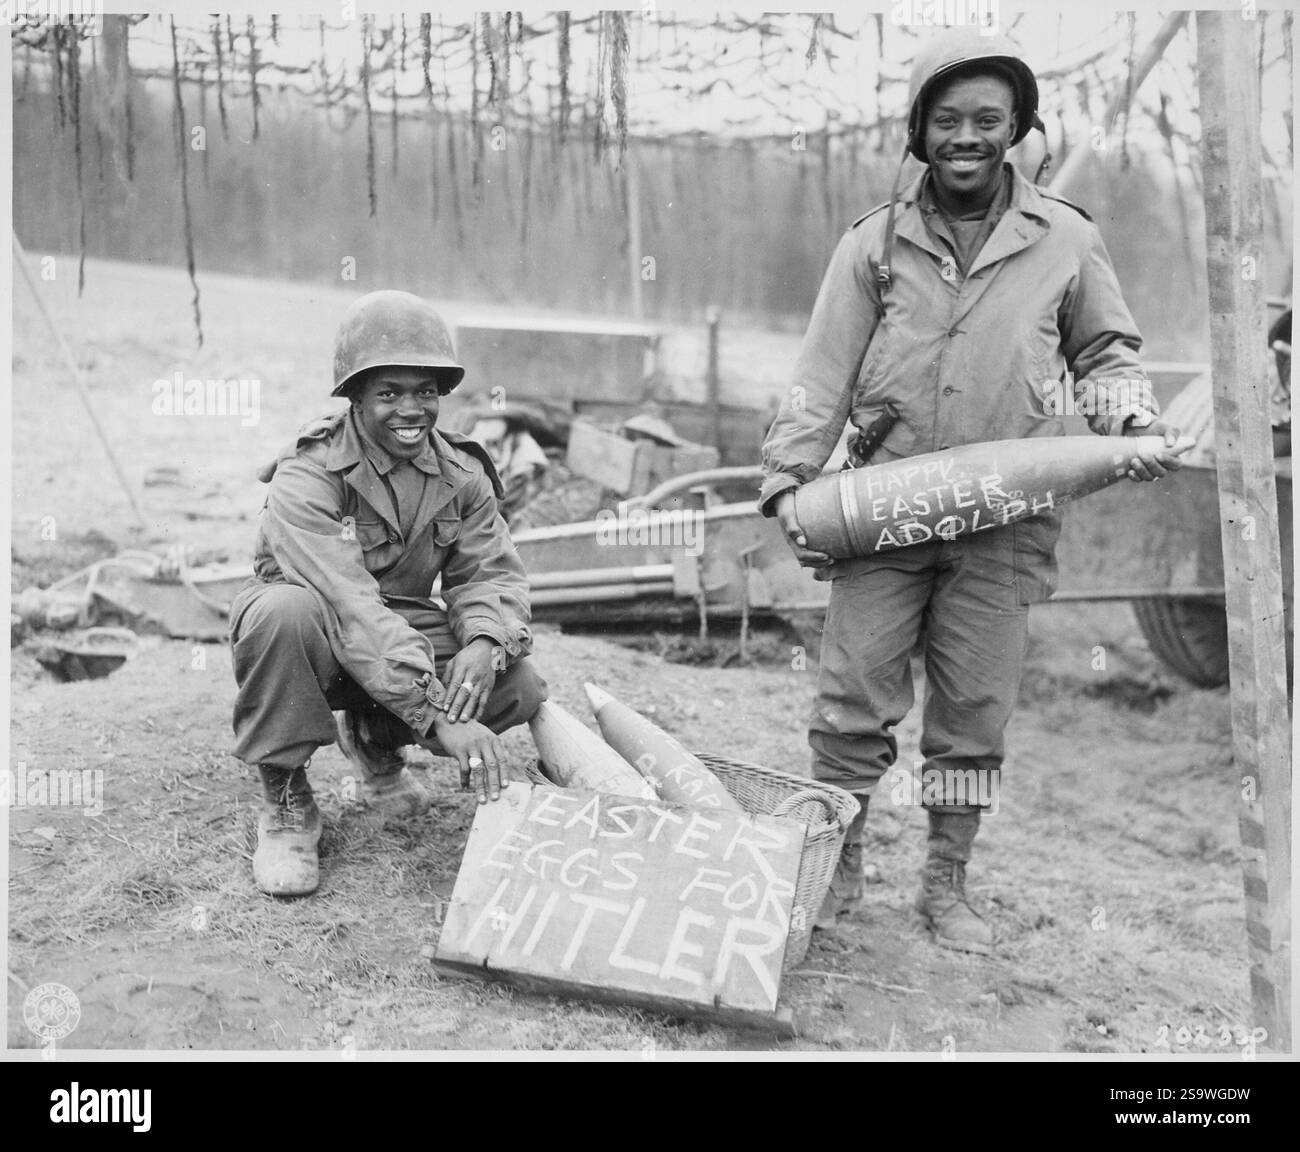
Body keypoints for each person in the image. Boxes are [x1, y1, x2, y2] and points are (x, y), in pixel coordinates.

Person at [759, 29, 1183, 954]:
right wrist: (792, 479)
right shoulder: (873, 245)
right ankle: (836, 869)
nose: (967, 137)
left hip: (1007, 526)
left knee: (973, 717)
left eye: (988, 120)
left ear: (1017, 130)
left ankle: (946, 884)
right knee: (849, 705)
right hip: (885, 514)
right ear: (920, 133)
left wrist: (1128, 423)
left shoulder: (1066, 238)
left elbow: (1105, 352)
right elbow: (821, 374)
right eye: (947, 120)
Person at [229, 290, 547, 897]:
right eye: (389, 393)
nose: (411, 409)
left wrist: (484, 641)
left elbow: (490, 574)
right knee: (281, 614)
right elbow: (347, 603)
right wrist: (434, 711)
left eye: (425, 391)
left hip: (392, 632)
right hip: (316, 627)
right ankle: (287, 796)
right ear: (353, 398)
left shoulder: (462, 474)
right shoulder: (309, 473)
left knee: (516, 685)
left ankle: (375, 738)